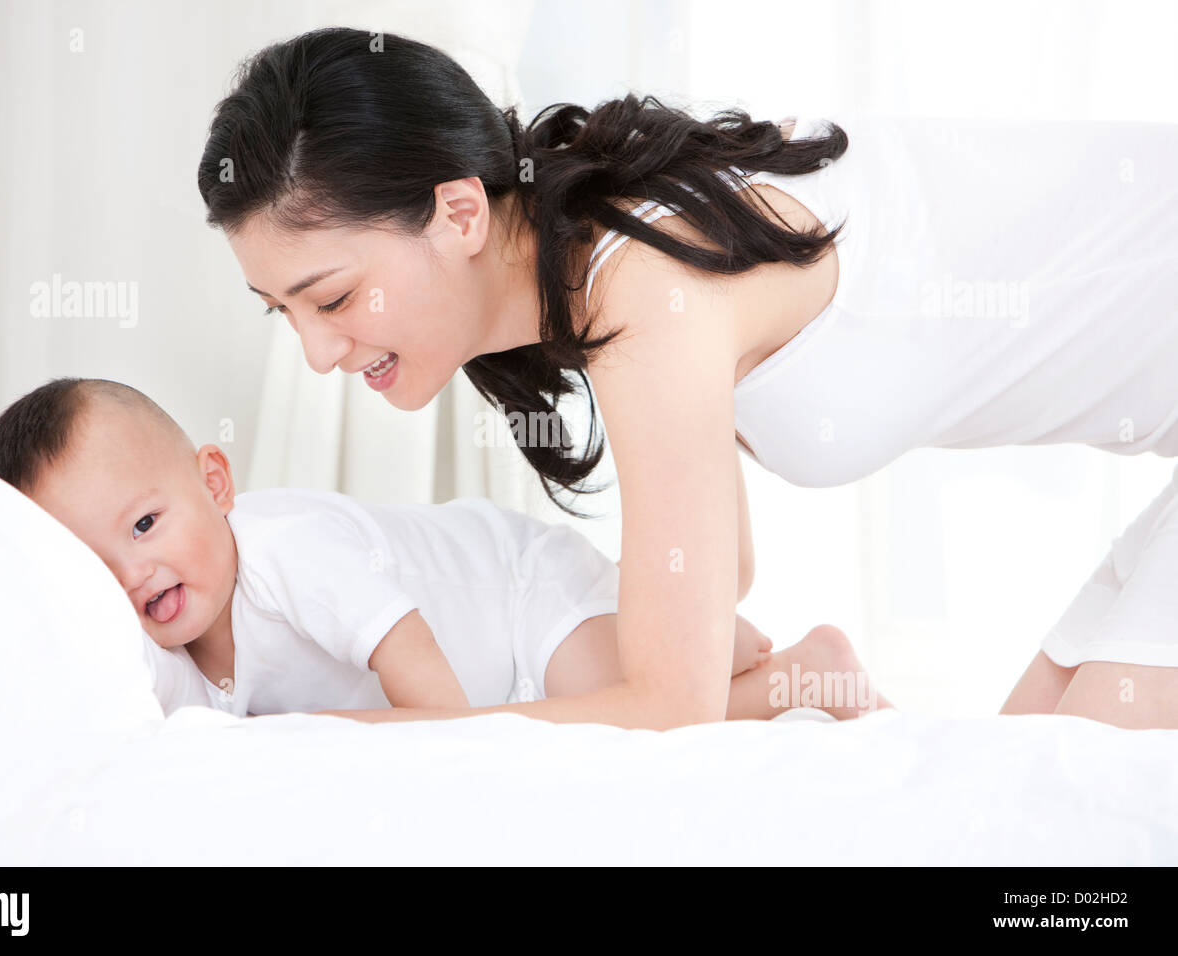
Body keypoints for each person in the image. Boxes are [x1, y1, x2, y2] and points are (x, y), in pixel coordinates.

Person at [196, 26, 1178, 730]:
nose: (319, 352)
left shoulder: (644, 280)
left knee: (1058, 804)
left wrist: (319, 740)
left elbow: (668, 704)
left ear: (457, 214)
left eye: (330, 296)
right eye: (283, 312)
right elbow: (713, 579)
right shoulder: (600, 261)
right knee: (1015, 787)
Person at [0, 377, 890, 721]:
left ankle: (804, 664)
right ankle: (765, 654)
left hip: (517, 596)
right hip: (499, 669)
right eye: (98, 566)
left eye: (144, 527)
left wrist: (342, 738)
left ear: (214, 485)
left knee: (639, 697)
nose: (136, 573)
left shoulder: (287, 555)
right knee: (654, 683)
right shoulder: (157, 640)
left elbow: (444, 722)